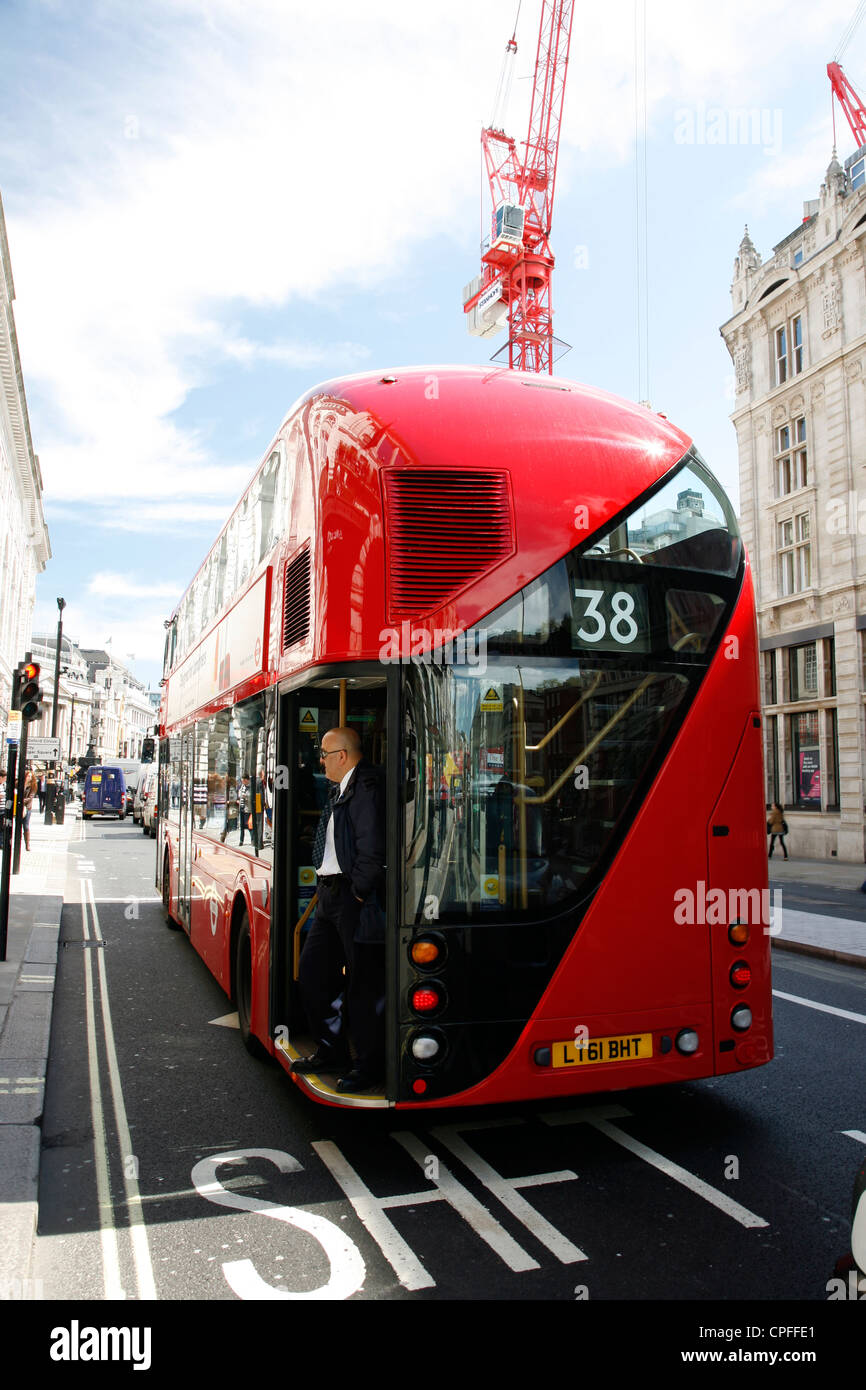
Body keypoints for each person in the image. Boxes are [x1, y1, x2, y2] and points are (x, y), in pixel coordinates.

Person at [293, 726, 386, 1092]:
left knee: (363, 987)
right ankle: (331, 1051)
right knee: (313, 975)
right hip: (329, 895)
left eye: (325, 755)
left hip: (351, 897)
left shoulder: (366, 788)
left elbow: (373, 848)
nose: (321, 761)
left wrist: (358, 894)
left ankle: (367, 1067)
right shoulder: (341, 787)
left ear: (343, 756)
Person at [22, 764, 38, 852]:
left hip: (27, 808)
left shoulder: (33, 786)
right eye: (28, 776)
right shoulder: (20, 783)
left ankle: (27, 844)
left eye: (31, 776)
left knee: (26, 826)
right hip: (19, 808)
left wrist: (21, 801)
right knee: (17, 826)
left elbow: (30, 797)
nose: (29, 777)